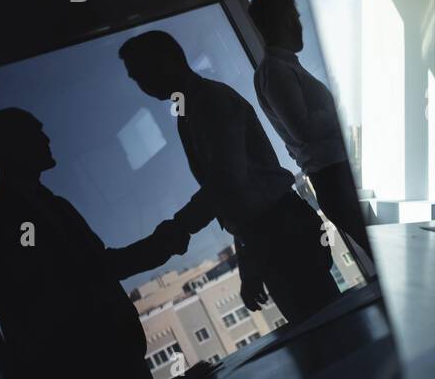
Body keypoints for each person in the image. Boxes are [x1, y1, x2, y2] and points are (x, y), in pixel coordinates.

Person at [0, 108, 181, 379]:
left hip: (114, 351)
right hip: (83, 362)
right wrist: (159, 246)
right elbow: (81, 271)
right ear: (12, 146)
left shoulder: (54, 204)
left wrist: (158, 247)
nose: (47, 138)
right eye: (36, 132)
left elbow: (91, 266)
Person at [118, 31, 340, 325]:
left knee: (327, 330)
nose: (141, 84)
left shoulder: (209, 101)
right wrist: (248, 260)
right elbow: (235, 196)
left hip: (281, 232)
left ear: (167, 60)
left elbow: (228, 181)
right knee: (325, 328)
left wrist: (179, 228)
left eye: (141, 73)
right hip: (274, 233)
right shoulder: (192, 109)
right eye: (135, 78)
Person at [246, 0, 370, 255]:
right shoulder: (275, 71)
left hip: (335, 176)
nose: (299, 25)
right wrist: (341, 108)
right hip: (334, 178)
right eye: (294, 17)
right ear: (283, 23)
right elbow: (303, 130)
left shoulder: (283, 68)